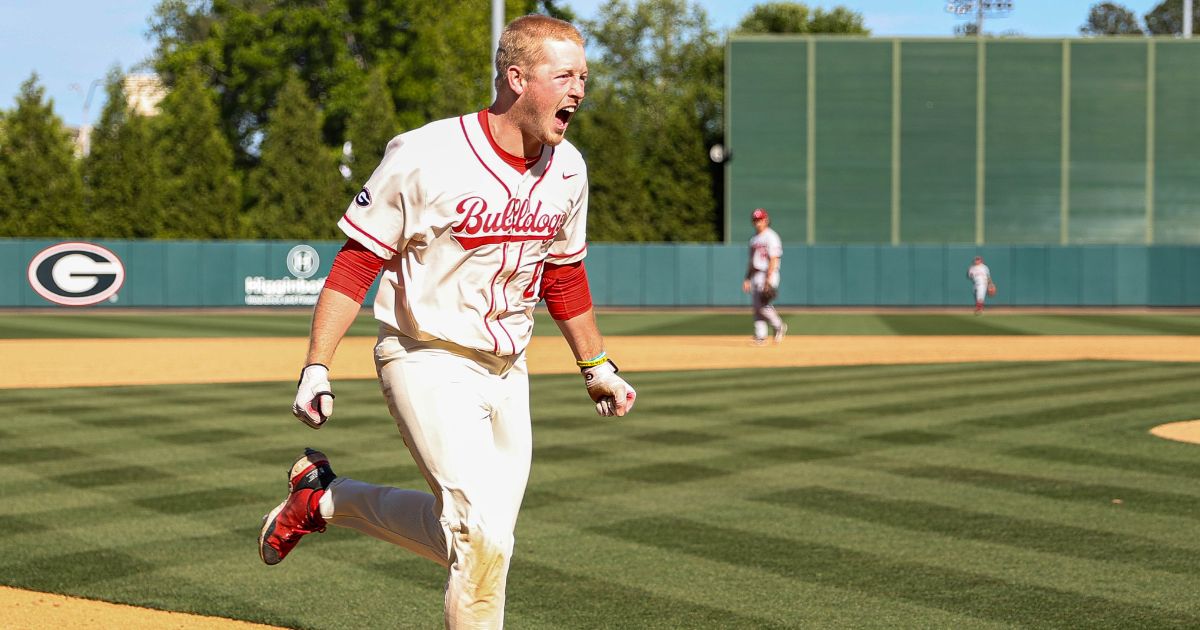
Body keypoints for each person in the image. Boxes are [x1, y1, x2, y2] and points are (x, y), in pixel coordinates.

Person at [256, 15, 636, 629]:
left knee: (481, 543)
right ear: (516, 78)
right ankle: (327, 498)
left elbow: (563, 276)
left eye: (583, 76)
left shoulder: (569, 169)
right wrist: (316, 366)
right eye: (563, 75)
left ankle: (324, 498)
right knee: (481, 540)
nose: (579, 90)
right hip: (426, 356)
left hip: (508, 370)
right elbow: (356, 266)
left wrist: (597, 366)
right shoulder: (426, 155)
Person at [741, 208, 786, 345]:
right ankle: (760, 337)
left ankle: (779, 326)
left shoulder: (771, 236)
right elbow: (751, 261)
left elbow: (774, 258)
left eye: (760, 219)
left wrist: (768, 279)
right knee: (756, 307)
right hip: (755, 274)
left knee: (763, 305)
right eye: (755, 220)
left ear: (766, 220)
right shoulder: (754, 239)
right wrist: (747, 278)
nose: (757, 222)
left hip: (767, 273)